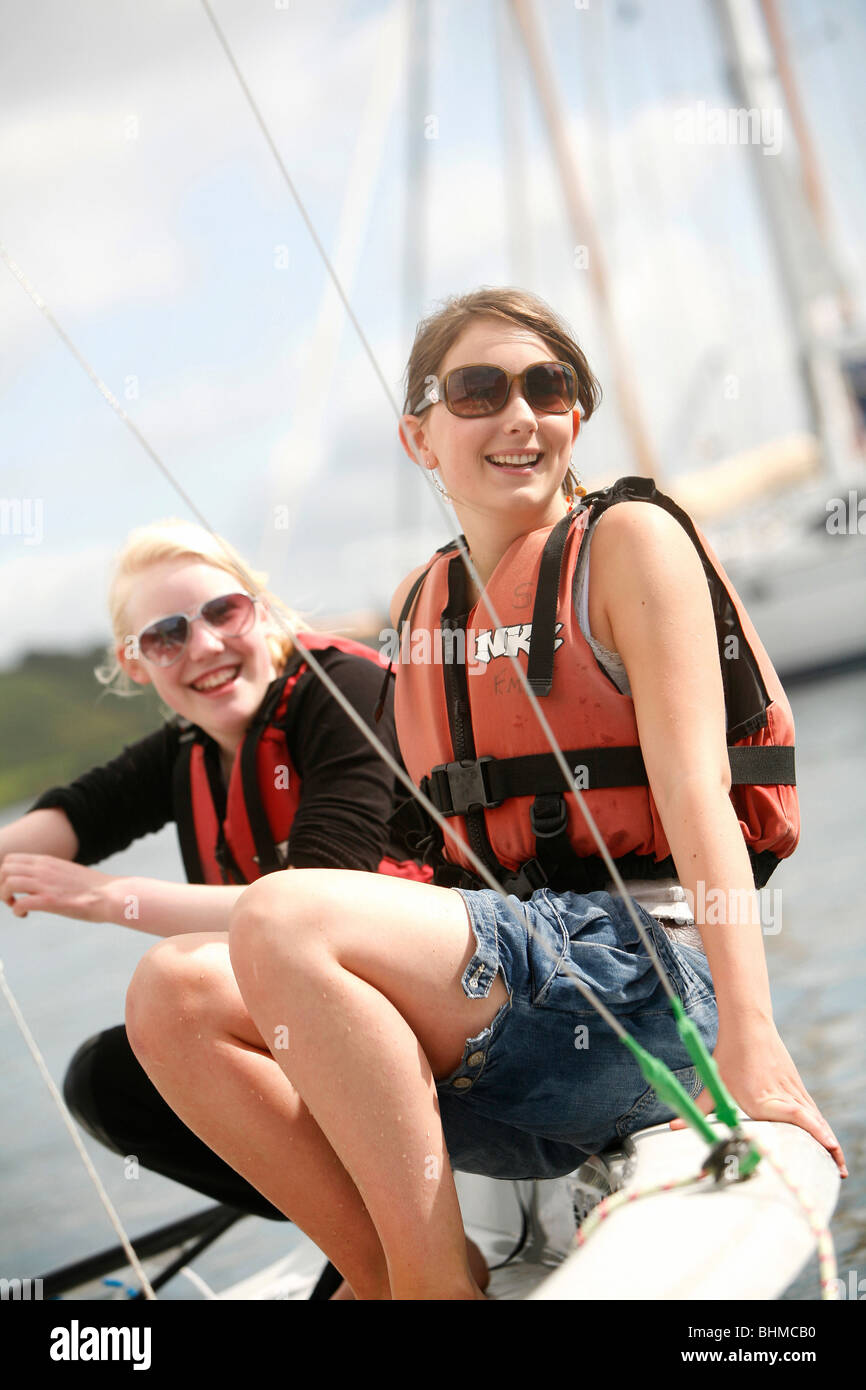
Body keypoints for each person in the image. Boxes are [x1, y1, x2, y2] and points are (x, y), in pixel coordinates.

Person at [123, 289, 847, 1302]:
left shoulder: (627, 543)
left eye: (547, 388)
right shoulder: (423, 607)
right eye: (479, 389)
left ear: (573, 420)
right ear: (419, 435)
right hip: (516, 1012)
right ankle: (386, 1272)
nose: (520, 414)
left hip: (649, 990)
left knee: (284, 913)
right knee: (174, 992)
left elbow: (693, 795)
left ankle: (431, 1291)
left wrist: (753, 1040)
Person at [0, 518, 434, 1241]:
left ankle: (407, 1244)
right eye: (167, 636)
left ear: (259, 611)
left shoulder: (345, 693)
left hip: (439, 1003)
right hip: (322, 1032)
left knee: (180, 983)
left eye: (222, 612)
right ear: (136, 664)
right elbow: (77, 814)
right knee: (107, 1081)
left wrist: (107, 899)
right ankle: (364, 1244)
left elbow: (315, 901)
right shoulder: (188, 748)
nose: (202, 646)